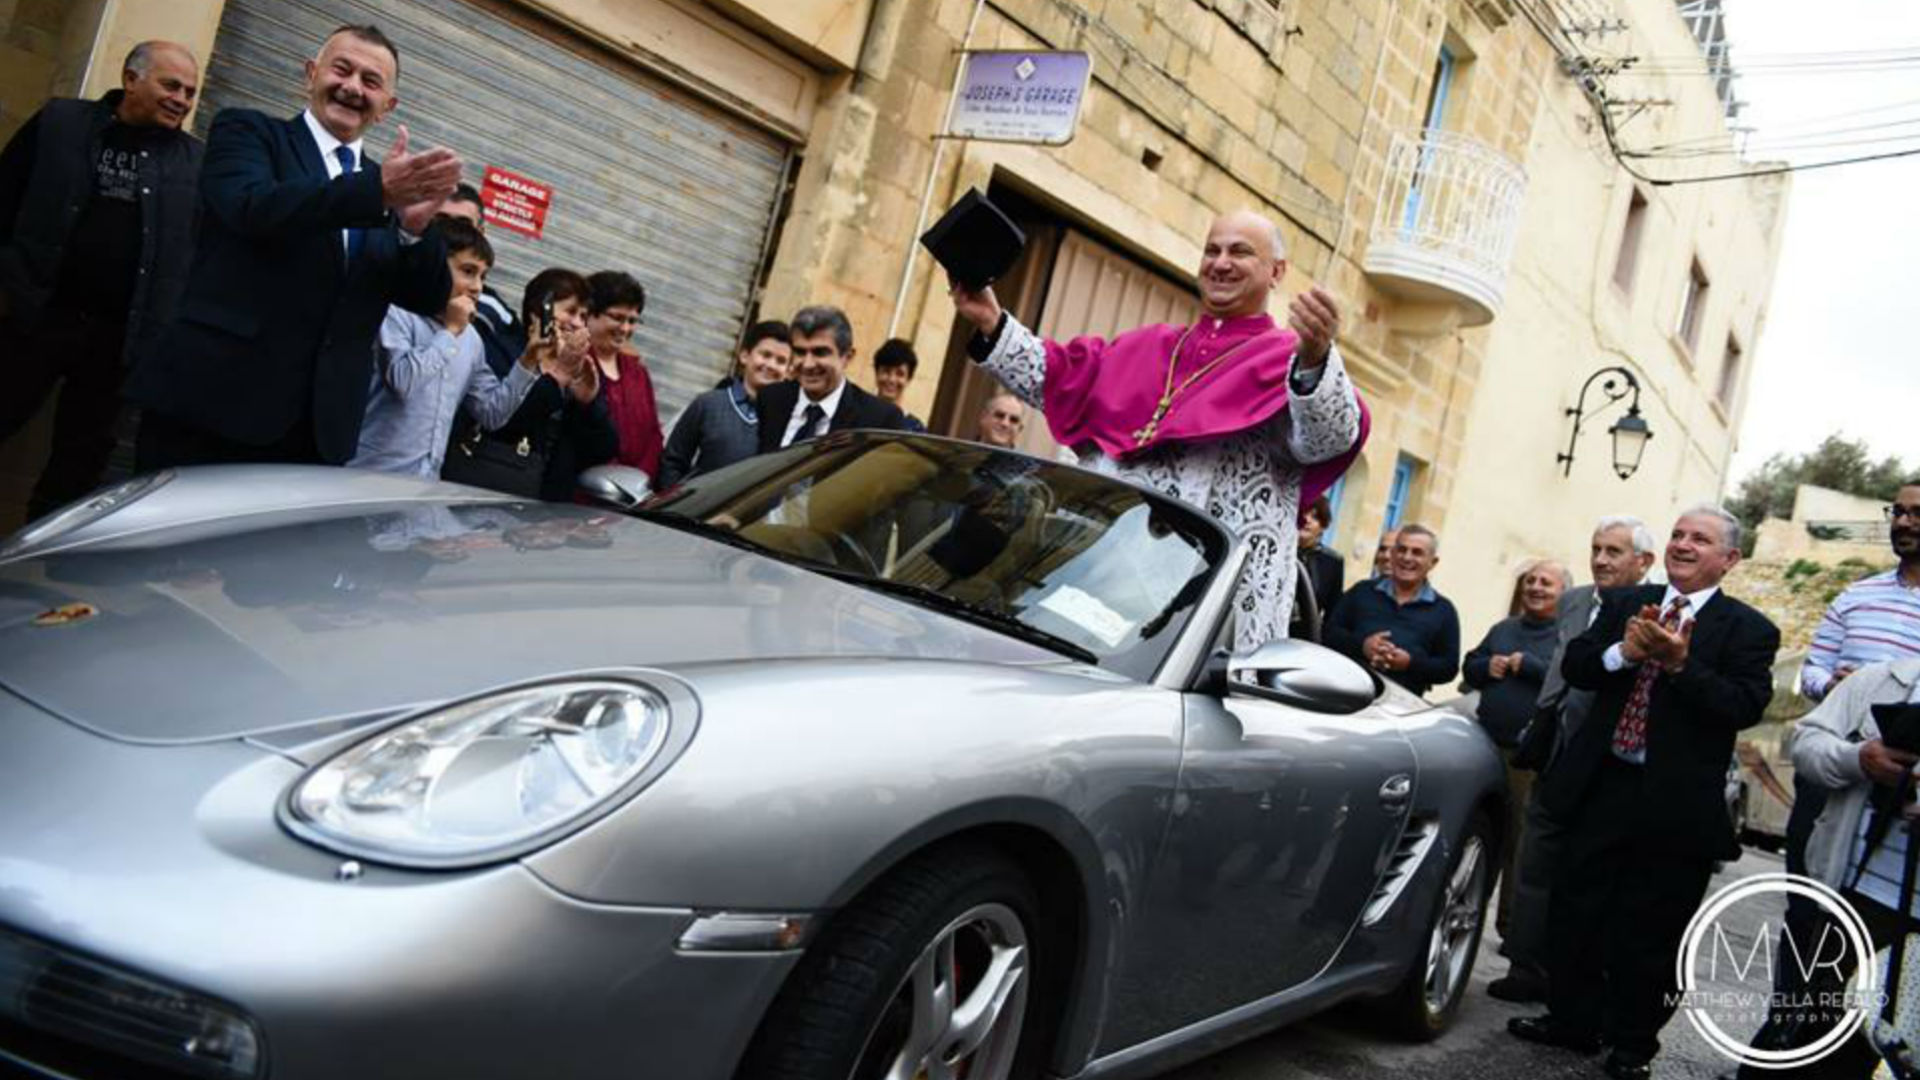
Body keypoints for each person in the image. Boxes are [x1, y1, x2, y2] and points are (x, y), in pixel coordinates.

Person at [950, 210, 1364, 650]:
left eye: (1240, 252)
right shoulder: (1150, 346)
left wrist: (1317, 360)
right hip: (1106, 591)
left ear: (1276, 271)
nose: (1220, 262)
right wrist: (991, 322)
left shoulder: (1290, 358)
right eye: (1212, 250)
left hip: (1213, 616)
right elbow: (1057, 377)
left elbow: (1329, 437)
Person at [1510, 507, 1780, 1080]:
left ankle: (1633, 1045)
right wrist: (1624, 655)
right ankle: (1572, 1021)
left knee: (1651, 931)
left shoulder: (1749, 630)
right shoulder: (1633, 602)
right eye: (1678, 534)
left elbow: (1742, 705)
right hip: (1603, 783)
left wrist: (1680, 665)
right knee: (1577, 908)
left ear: (1728, 560)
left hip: (1676, 806)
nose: (1683, 544)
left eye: (1700, 539)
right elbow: (1581, 665)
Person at [128, 24, 461, 470]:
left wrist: (413, 232)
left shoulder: (388, 188)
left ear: (387, 107)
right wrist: (375, 194)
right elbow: (251, 209)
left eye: (371, 81)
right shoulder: (248, 133)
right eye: (342, 70)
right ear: (310, 73)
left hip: (318, 433)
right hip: (213, 409)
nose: (352, 88)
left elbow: (427, 297)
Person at [0, 41, 203, 517]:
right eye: (170, 85)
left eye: (191, 92)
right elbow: (5, 198)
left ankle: (34, 577)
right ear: (131, 78)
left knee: (78, 466)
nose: (183, 100)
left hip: (119, 347)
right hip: (36, 320)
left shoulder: (196, 164)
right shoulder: (60, 123)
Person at [1490, 514, 1657, 1004]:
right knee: (1535, 857)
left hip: (1610, 761)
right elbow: (1560, 674)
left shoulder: (1657, 608)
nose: (1601, 559)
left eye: (1614, 552)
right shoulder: (1576, 601)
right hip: (1556, 745)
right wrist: (1540, 725)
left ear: (1643, 562)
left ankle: (1571, 976)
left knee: (1586, 871)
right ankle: (1525, 965)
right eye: (1597, 549)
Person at [1772, 656, 1920, 1079]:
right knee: (1822, 1039)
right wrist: (1858, 758)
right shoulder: (1885, 681)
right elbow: (1804, 743)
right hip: (1861, 899)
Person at [350, 219, 587, 477]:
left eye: (483, 276)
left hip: (425, 483)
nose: (477, 287)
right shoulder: (398, 314)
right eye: (467, 271)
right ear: (435, 265)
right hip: (369, 474)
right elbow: (403, 382)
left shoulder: (471, 338)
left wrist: (528, 360)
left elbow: (492, 414)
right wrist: (450, 332)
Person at [1463, 557, 1570, 941]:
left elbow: (1567, 678)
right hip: (1485, 743)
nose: (1536, 587)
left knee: (1518, 843)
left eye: (1547, 583)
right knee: (1480, 832)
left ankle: (1511, 929)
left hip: (1527, 755)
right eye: (1531, 580)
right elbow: (1468, 666)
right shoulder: (1504, 628)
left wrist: (1531, 666)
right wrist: (1484, 666)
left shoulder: (1564, 635)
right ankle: (1468, 914)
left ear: (1563, 593)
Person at [1322, 524, 1460, 696]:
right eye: (1401, 550)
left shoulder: (1443, 611)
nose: (1407, 558)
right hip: (1346, 694)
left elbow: (1448, 668)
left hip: (1400, 710)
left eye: (1417, 552)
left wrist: (1410, 663)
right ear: (1393, 555)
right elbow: (1328, 634)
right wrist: (1362, 646)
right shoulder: (1361, 591)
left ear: (1432, 562)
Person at [657, 319, 791, 488]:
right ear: (745, 355)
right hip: (698, 510)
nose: (771, 365)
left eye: (781, 361)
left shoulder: (790, 422)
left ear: (788, 371)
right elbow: (672, 462)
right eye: (765, 355)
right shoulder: (708, 404)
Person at [756, 305, 909, 451]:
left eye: (820, 352)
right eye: (800, 352)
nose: (808, 364)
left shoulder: (879, 420)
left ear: (847, 357)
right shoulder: (771, 399)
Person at [583, 270, 663, 480]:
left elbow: (654, 435)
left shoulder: (638, 373)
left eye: (633, 320)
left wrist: (636, 480)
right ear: (589, 314)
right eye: (617, 318)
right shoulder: (576, 364)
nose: (625, 328)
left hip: (630, 497)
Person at [434, 183, 522, 373]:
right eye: (441, 221)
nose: (450, 234)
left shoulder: (490, 312)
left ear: (481, 234)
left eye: (462, 226)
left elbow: (495, 395)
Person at [1291, 495, 1344, 638]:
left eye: (1315, 517)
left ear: (1323, 526)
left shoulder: (1333, 561)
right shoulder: (1275, 550)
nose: (1307, 520)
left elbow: (1333, 612)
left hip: (1302, 641)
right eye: (1303, 514)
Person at [871, 338, 926, 432]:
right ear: (876, 373)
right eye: (886, 371)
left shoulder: (915, 429)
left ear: (908, 379)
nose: (892, 379)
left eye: (900, 374)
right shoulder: (859, 414)